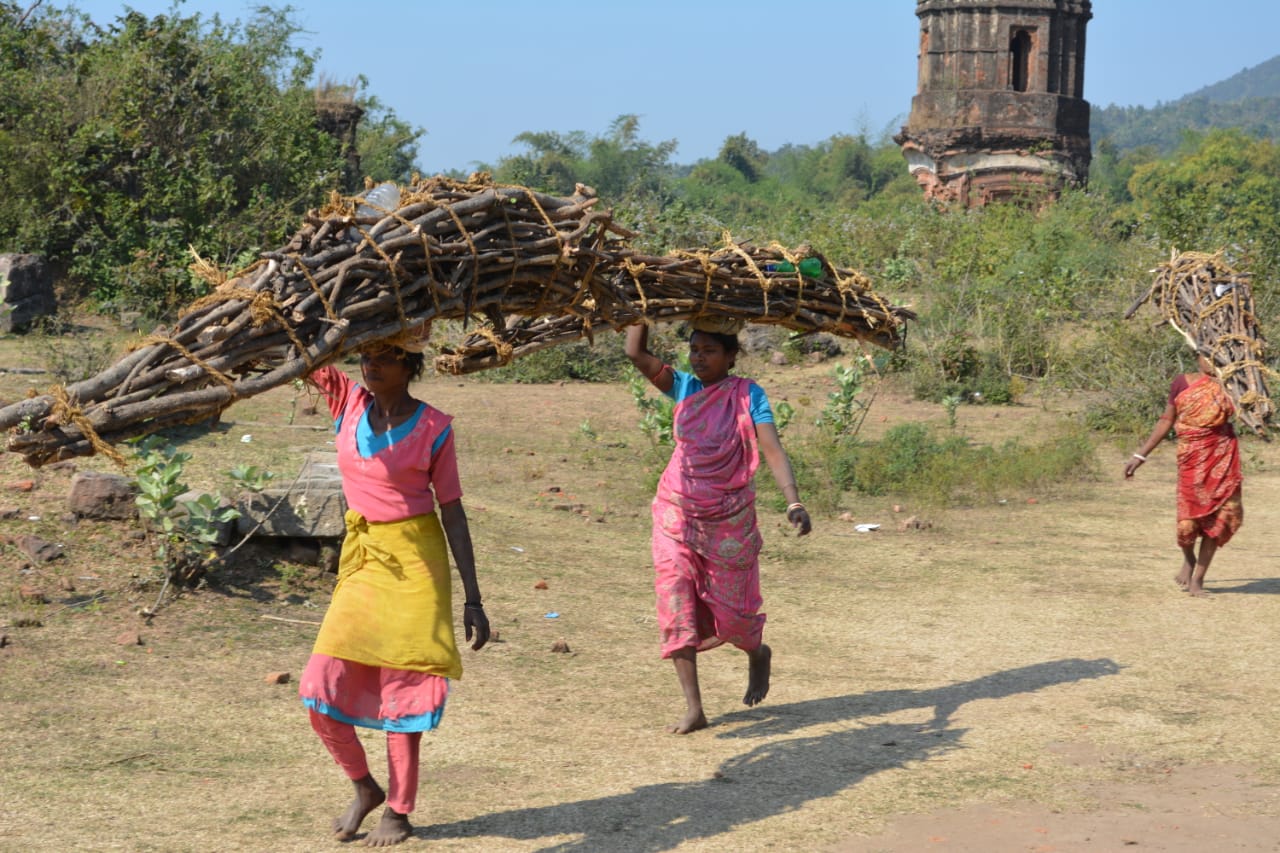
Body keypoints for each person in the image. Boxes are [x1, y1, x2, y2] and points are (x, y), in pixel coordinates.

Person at [297, 333, 489, 847]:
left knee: (404, 695)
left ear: (411, 366)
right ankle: (365, 788)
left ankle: (399, 811)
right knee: (319, 689)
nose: (373, 366)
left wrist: (473, 598)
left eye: (387, 358)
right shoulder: (347, 401)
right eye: (367, 356)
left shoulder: (433, 428)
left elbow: (451, 509)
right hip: (363, 560)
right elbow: (305, 350)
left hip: (416, 564)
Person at [625, 317, 812, 734]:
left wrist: (793, 500)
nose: (699, 358)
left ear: (731, 356)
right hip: (677, 510)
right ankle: (694, 707)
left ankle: (756, 651)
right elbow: (635, 354)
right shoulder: (683, 387)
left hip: (729, 518)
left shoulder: (748, 395)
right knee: (674, 600)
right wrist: (640, 308)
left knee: (735, 618)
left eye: (710, 350)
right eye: (694, 350)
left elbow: (772, 449)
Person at [1124, 348, 1243, 597]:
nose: (1211, 362)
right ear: (1197, 357)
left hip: (1222, 455)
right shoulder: (1182, 382)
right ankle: (1189, 558)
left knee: (1220, 518)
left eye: (1217, 357)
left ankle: (1198, 580)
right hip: (1192, 457)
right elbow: (1167, 420)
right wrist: (1140, 455)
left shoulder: (1233, 384)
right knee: (1187, 523)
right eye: (1207, 356)